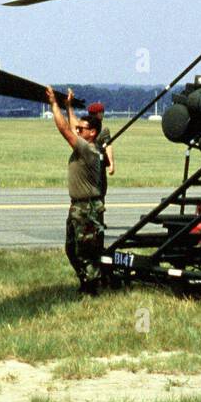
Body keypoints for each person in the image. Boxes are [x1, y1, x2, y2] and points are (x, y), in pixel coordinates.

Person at [46, 85, 106, 295]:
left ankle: (92, 288)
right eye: (78, 129)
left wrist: (54, 104)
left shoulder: (88, 150)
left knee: (86, 252)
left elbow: (65, 130)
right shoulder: (89, 144)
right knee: (72, 249)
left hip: (87, 208)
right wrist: (69, 106)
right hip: (79, 207)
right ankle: (87, 283)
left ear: (92, 133)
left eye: (82, 130)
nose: (78, 131)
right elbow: (73, 127)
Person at [88, 100, 115, 196]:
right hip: (98, 164)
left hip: (87, 164)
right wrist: (111, 163)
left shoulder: (84, 128)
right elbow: (108, 146)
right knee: (100, 191)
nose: (102, 114)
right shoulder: (104, 130)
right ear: (98, 114)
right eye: (101, 112)